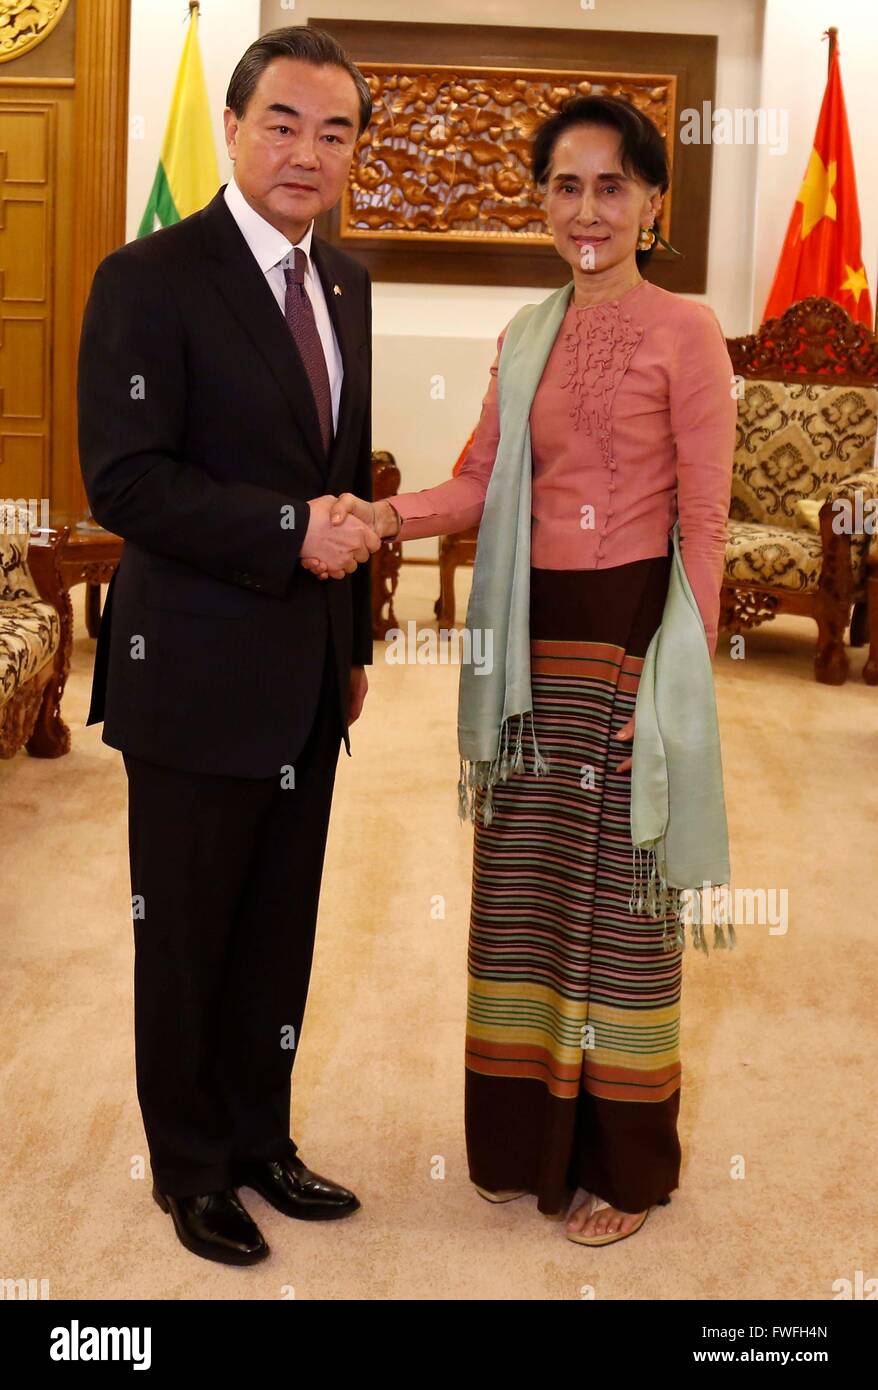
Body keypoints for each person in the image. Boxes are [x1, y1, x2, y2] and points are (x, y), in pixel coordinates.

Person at [315, 95, 737, 1246]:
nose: (585, 210)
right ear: (540, 199)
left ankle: (622, 1168)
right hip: (523, 662)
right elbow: (475, 483)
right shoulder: (523, 331)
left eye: (610, 186)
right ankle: (520, 1141)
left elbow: (703, 515)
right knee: (522, 903)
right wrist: (377, 515)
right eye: (564, 185)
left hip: (629, 645)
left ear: (653, 201)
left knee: (617, 914)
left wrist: (676, 682)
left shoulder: (685, 330)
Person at [77, 27, 380, 1266]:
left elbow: (346, 481)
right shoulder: (148, 275)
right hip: (190, 674)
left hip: (309, 674)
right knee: (189, 930)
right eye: (283, 123)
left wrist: (352, 639)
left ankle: (260, 1139)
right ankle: (191, 1166)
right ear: (235, 126)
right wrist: (284, 532)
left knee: (278, 925)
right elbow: (125, 481)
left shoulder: (348, 281)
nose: (307, 152)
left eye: (335, 131)